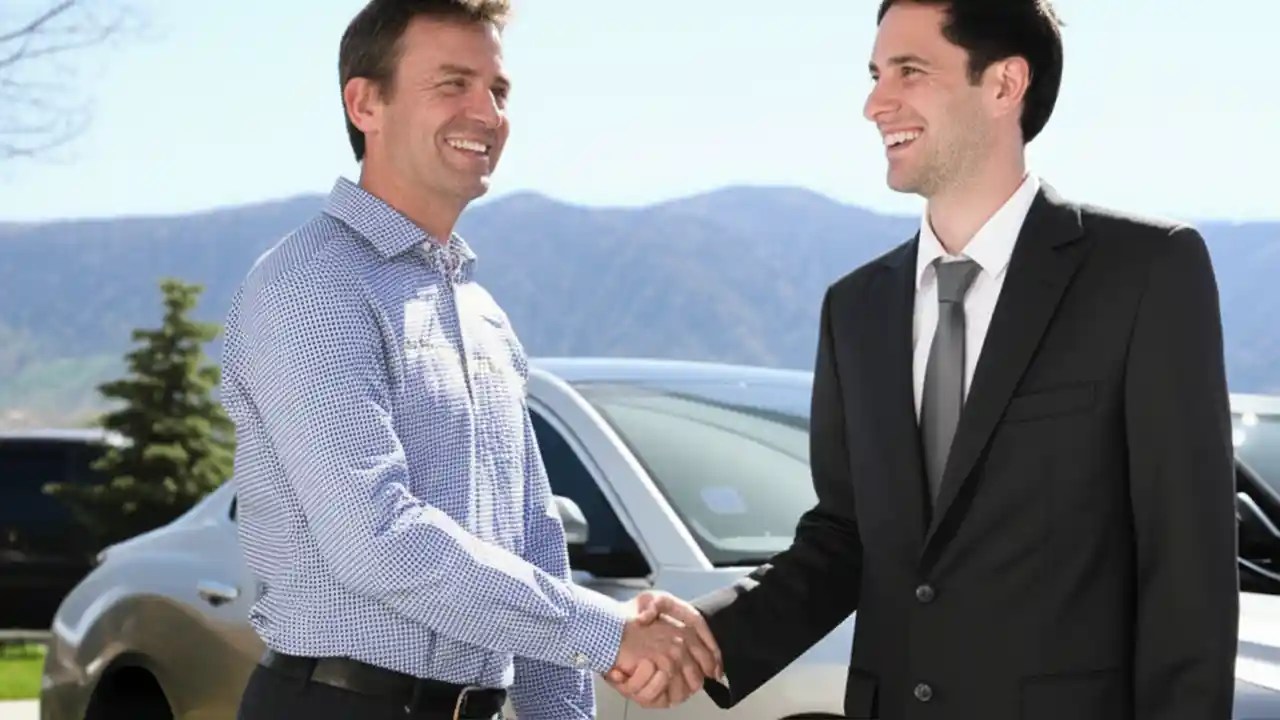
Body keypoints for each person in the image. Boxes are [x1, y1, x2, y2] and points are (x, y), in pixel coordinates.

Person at [612, 0, 1240, 718]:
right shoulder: (855, 308)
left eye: (909, 71)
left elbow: (1186, 568)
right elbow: (847, 537)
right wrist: (711, 632)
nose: (876, 102)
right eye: (877, 74)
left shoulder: (1144, 273)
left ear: (1004, 85)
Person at [221, 1, 718, 718]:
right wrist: (607, 633)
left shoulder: (480, 312)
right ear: (366, 103)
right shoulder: (313, 285)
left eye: (498, 91)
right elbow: (377, 538)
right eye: (452, 84)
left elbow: (535, 539)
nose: (485, 113)